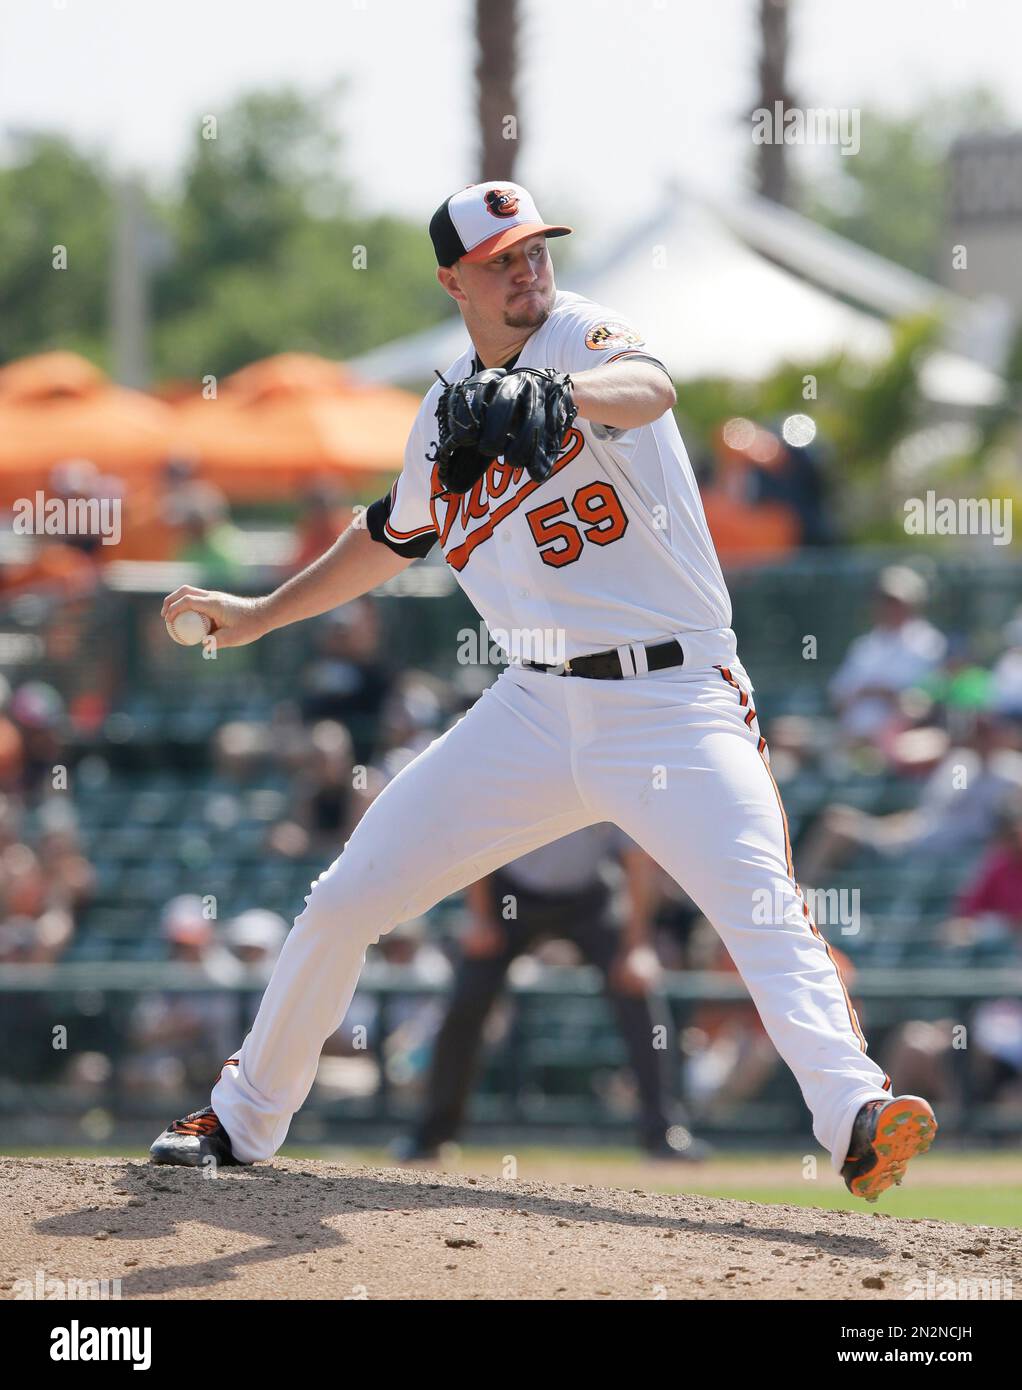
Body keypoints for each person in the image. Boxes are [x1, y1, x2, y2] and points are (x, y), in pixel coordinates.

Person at [150, 180, 935, 1201]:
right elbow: (390, 534)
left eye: (533, 249)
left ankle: (858, 1118)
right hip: (532, 708)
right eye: (499, 259)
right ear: (452, 281)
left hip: (673, 696)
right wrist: (258, 614)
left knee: (759, 908)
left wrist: (559, 393)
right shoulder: (442, 414)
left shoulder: (581, 337)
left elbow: (648, 386)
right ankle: (241, 1120)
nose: (526, 269)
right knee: (345, 898)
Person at [395, 824, 709, 1163]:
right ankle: (431, 1136)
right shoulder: (517, 774)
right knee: (467, 1000)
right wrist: (480, 917)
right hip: (511, 895)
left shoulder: (606, 776)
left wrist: (637, 948)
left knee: (637, 992)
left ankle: (664, 1134)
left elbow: (637, 859)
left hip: (589, 897)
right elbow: (479, 843)